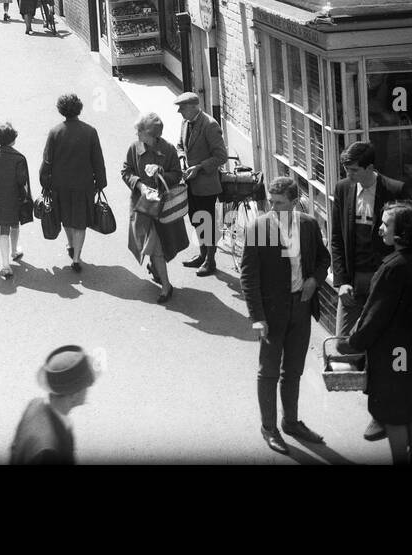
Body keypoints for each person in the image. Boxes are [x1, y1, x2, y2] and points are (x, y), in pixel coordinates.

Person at [239, 176, 331, 455]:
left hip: (300, 309)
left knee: (293, 371)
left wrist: (315, 279)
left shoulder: (308, 225)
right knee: (267, 372)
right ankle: (269, 428)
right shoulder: (259, 227)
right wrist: (257, 317)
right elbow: (248, 276)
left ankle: (290, 422)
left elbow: (323, 259)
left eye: (279, 203)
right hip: (271, 313)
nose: (272, 207)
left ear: (294, 203)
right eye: (270, 201)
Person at [329, 140, 412, 441]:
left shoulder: (395, 191)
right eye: (346, 170)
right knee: (344, 344)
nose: (348, 175)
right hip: (355, 280)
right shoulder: (342, 190)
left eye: (352, 170)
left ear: (369, 168)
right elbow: (337, 239)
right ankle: (380, 388)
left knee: (378, 349)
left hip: (384, 283)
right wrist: (341, 281)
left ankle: (379, 415)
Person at [344, 200, 412, 465]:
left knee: (393, 411)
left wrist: (354, 342)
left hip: (391, 350)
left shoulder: (391, 268)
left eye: (385, 224)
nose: (380, 228)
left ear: (401, 230)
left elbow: (374, 315)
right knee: (410, 405)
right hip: (408, 346)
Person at [121, 112, 187, 304]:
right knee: (145, 244)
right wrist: (139, 185)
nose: (136, 134)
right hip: (142, 206)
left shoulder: (168, 150)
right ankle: (156, 268)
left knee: (157, 247)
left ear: (150, 134)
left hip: (161, 207)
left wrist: (161, 175)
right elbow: (126, 171)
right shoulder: (134, 147)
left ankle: (166, 287)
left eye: (139, 131)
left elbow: (177, 174)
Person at [40, 94, 107, 273]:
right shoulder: (90, 131)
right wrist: (100, 182)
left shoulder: (55, 132)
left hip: (60, 185)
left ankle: (70, 244)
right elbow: (97, 160)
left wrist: (44, 181)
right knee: (80, 221)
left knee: (66, 218)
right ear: (79, 108)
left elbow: (47, 160)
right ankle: (76, 257)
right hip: (83, 185)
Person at [9, 345, 98, 463]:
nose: (89, 387)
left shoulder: (35, 405)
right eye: (87, 385)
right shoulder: (48, 453)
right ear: (74, 395)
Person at [175, 92, 228, 277]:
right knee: (195, 219)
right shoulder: (186, 123)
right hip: (190, 183)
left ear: (192, 107)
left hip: (206, 185)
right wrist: (182, 159)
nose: (179, 111)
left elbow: (221, 156)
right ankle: (202, 254)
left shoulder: (210, 125)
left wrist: (199, 167)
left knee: (207, 221)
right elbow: (180, 145)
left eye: (182, 108)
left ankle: (210, 260)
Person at [0, 122, 29, 278]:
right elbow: (21, 180)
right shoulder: (18, 158)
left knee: (3, 229)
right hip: (14, 197)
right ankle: (14, 250)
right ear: (13, 139)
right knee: (15, 224)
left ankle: (5, 265)